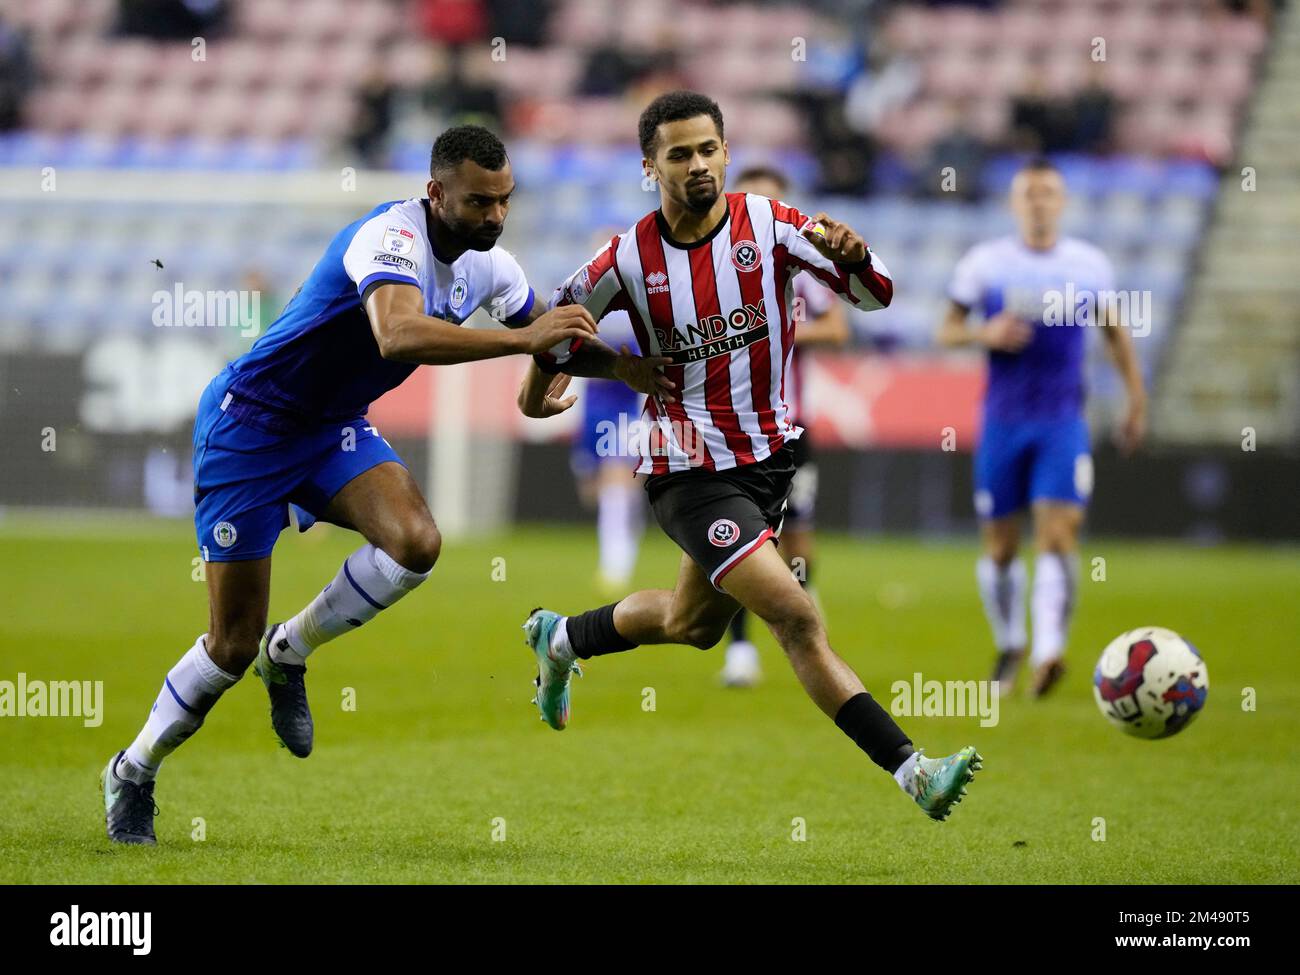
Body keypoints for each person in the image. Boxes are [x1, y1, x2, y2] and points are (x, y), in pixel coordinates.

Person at [100, 125, 664, 845]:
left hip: (333, 427)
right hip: (251, 426)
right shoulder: (388, 237)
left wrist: (619, 368)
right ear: (436, 193)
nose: (495, 216)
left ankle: (291, 651)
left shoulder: (493, 268)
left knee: (415, 542)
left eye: (505, 201)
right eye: (478, 202)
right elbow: (399, 335)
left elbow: (551, 338)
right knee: (229, 642)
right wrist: (526, 343)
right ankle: (134, 769)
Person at [517, 91, 981, 821]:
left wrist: (859, 260)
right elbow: (554, 328)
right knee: (795, 614)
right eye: (679, 154)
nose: (697, 165)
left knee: (690, 624)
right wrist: (605, 373)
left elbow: (875, 297)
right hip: (687, 467)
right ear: (650, 166)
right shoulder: (627, 258)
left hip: (768, 460)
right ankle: (912, 768)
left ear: (726, 152)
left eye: (708, 149)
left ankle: (562, 636)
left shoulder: (770, 226)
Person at [937, 157, 1147, 698]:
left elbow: (1115, 334)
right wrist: (986, 333)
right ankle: (1011, 643)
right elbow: (947, 330)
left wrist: (1135, 400)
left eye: (1048, 193)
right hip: (1003, 422)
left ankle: (1049, 649)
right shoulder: (985, 263)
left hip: (1062, 421)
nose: (1038, 201)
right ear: (1014, 203)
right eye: (1028, 193)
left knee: (1058, 535)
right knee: (1002, 548)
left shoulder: (1089, 265)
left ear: (1062, 202)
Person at [716, 164, 849, 688]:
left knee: (798, 538)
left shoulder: (798, 269)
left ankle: (802, 628)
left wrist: (782, 331)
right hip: (733, 428)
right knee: (741, 544)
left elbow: (838, 327)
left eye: (773, 199)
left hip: (793, 426)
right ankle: (742, 650)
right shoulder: (719, 268)